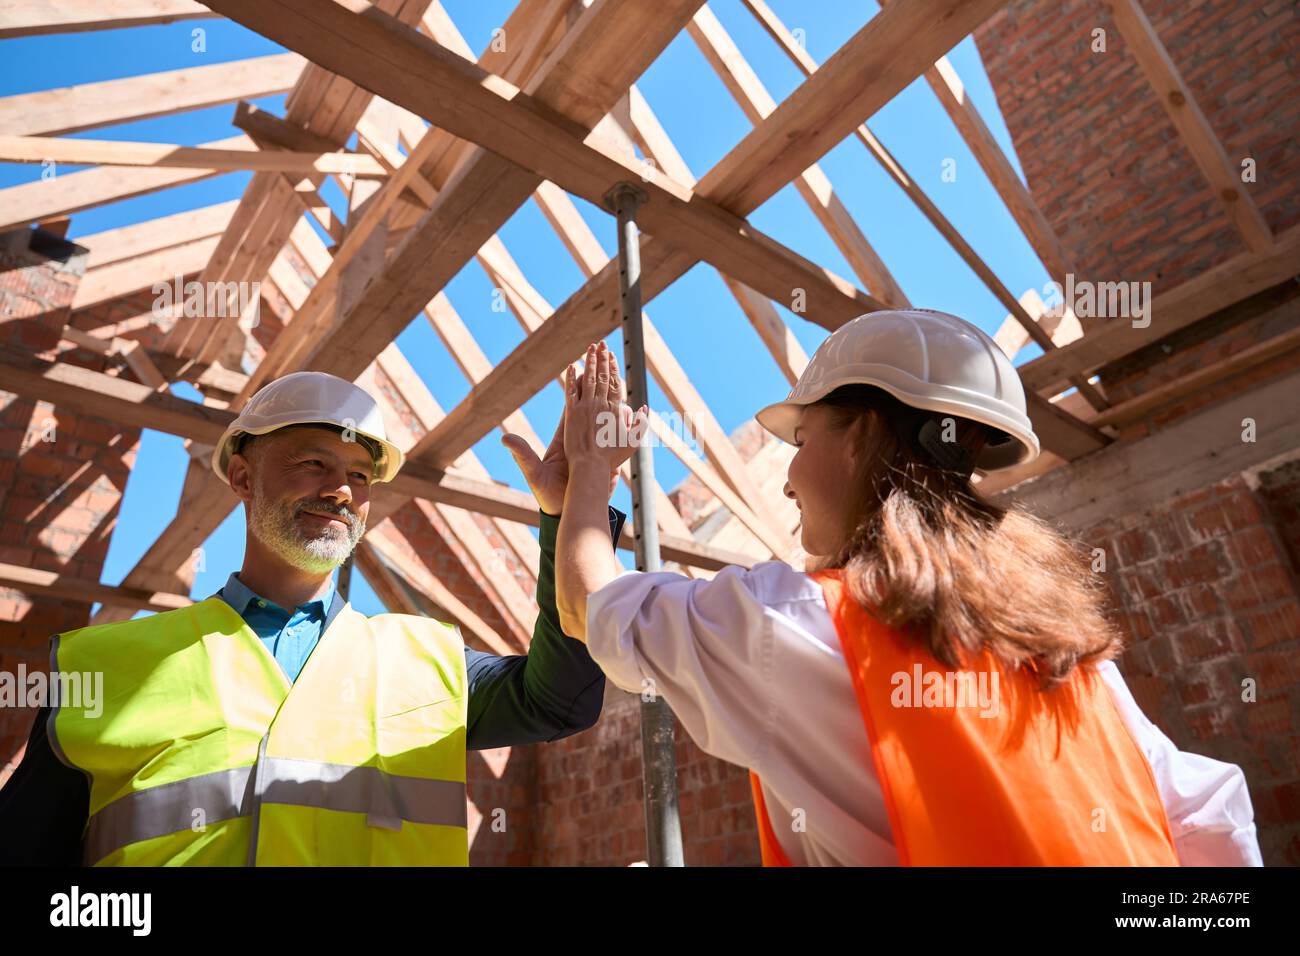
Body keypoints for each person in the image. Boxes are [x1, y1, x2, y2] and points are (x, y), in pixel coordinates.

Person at [552, 313, 1262, 866]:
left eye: (801, 440)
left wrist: (589, 476)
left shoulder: (795, 625)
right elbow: (1207, 818)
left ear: (860, 434)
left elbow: (590, 605)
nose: (789, 476)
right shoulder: (1074, 661)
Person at [0, 370, 622, 866]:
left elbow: (561, 700)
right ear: (243, 476)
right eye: (312, 465)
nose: (342, 490)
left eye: (358, 474)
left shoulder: (426, 661)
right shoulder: (102, 668)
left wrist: (575, 511)